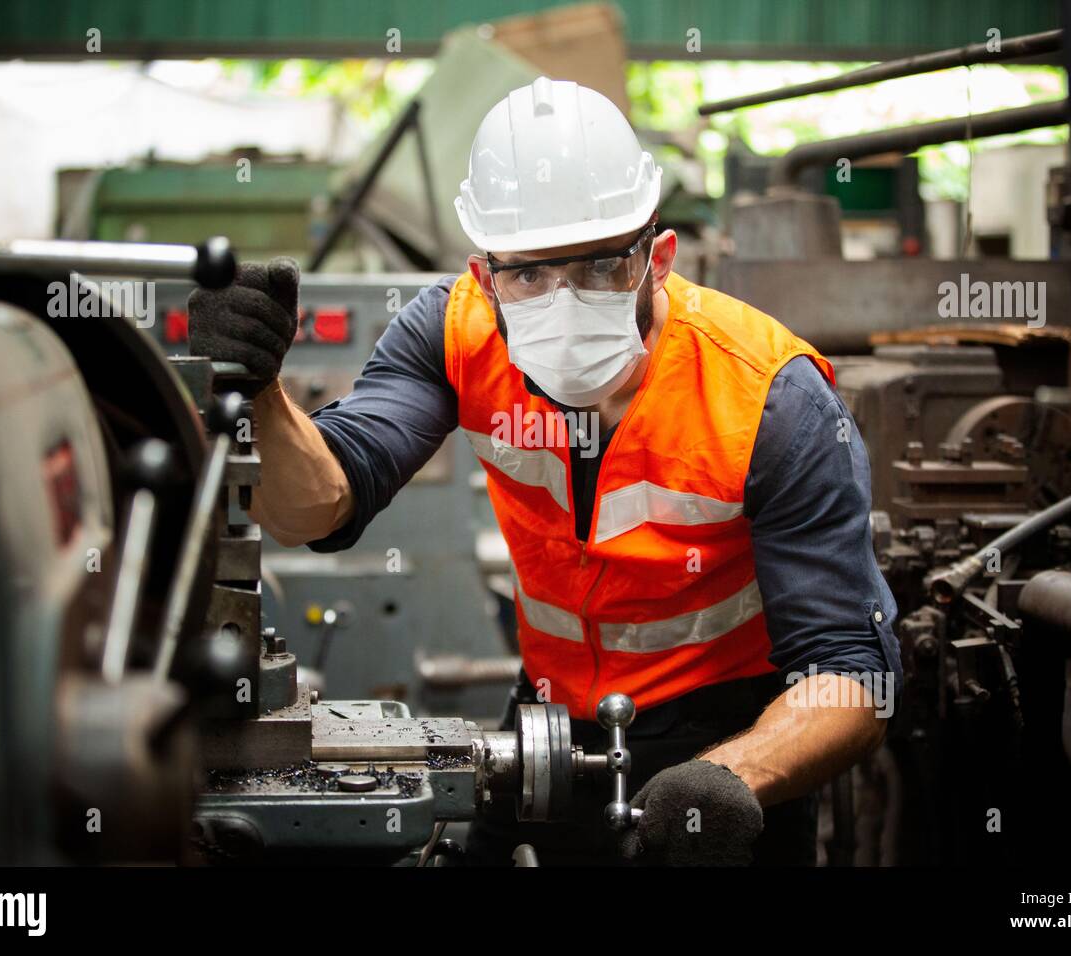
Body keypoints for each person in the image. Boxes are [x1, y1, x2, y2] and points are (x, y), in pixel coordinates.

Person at [187, 77, 902, 866]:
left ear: (657, 258)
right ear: (484, 273)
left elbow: (852, 682)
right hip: (544, 735)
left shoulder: (773, 396)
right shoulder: (454, 334)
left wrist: (733, 776)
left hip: (728, 749)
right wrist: (257, 389)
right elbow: (316, 507)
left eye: (599, 267)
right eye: (528, 274)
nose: (562, 302)